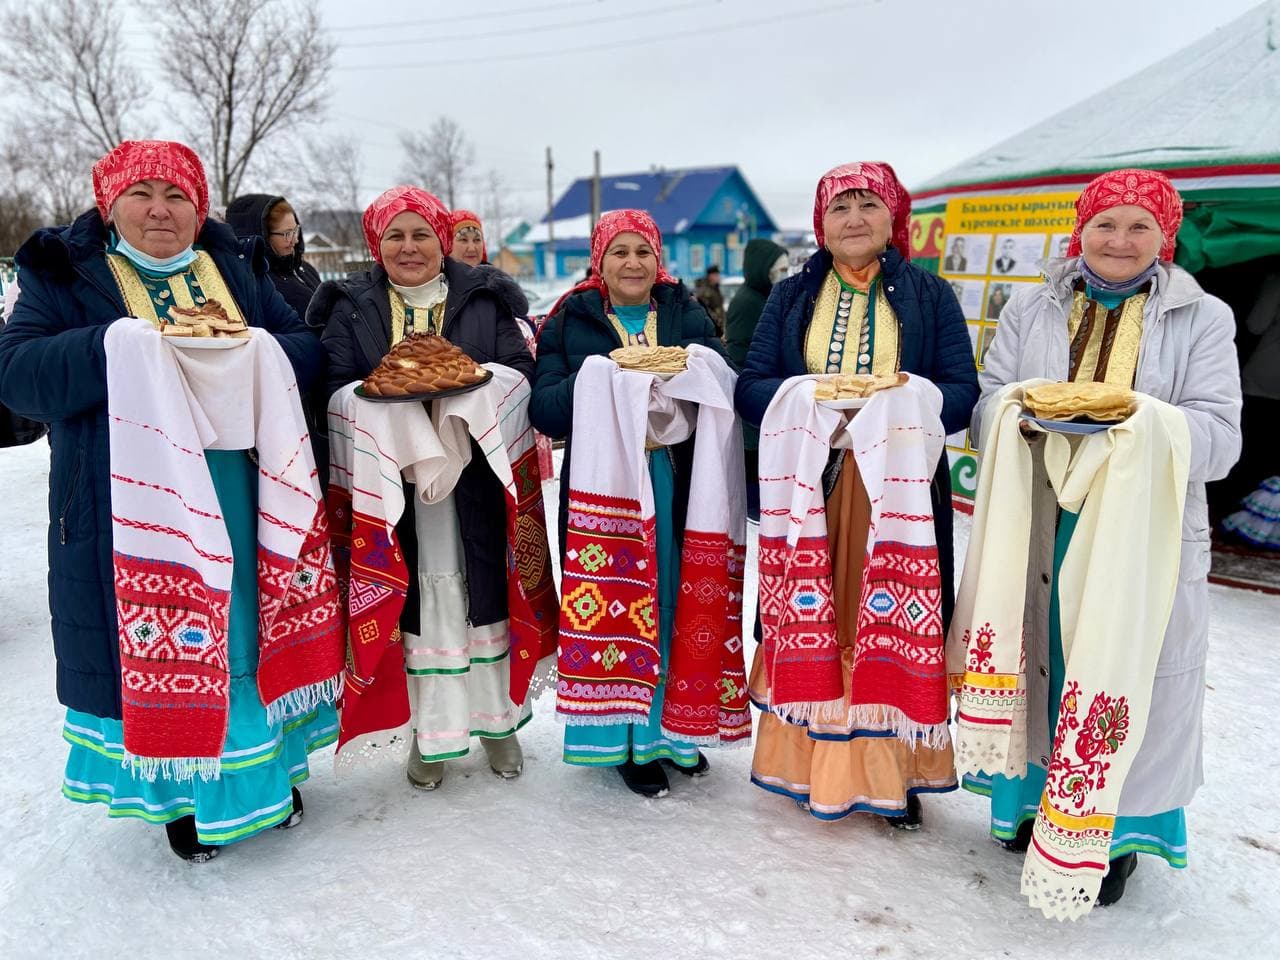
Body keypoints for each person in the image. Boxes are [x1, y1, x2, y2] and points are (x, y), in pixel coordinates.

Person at [0, 140, 339, 862]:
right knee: (173, 641)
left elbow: (304, 346)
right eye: (142, 193)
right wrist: (121, 346)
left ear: (200, 206)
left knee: (244, 631)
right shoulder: (65, 275)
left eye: (177, 195)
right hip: (132, 504)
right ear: (109, 203)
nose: (160, 209)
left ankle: (263, 776)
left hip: (242, 489)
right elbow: (19, 378)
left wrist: (251, 349)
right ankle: (183, 793)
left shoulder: (233, 270)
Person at [958, 168, 1242, 911]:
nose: (1120, 241)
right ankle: (1028, 811)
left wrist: (1134, 420)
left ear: (1165, 237)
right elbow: (987, 409)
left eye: (1138, 226)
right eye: (1105, 225)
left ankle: (1107, 835)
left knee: (1114, 673)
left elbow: (1219, 443)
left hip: (1137, 539)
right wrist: (1024, 410)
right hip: (1040, 523)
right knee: (1040, 660)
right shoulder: (1031, 304)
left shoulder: (1201, 318)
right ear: (1079, 230)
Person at [735, 161, 978, 828]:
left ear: (892, 216)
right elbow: (751, 385)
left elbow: (962, 392)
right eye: (840, 207)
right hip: (813, 485)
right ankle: (810, 766)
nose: (853, 219)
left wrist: (900, 403)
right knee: (823, 618)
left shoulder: (929, 295)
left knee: (887, 626)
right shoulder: (790, 298)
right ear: (821, 223)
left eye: (868, 204)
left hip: (895, 493)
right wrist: (809, 403)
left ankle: (891, 774)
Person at [310, 185, 536, 790]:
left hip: (477, 484)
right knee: (414, 604)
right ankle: (430, 736)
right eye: (395, 236)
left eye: (422, 235)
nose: (409, 247)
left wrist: (477, 394)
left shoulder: (484, 298)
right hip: (395, 491)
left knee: (483, 598)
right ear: (375, 244)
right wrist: (385, 413)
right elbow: (332, 389)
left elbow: (521, 375)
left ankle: (498, 724)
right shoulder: (351, 308)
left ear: (443, 240)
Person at [530, 209, 734, 798]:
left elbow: (725, 380)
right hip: (606, 484)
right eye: (619, 251)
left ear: (658, 258)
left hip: (674, 474)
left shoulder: (683, 309)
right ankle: (625, 742)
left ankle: (675, 732)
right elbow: (544, 408)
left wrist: (693, 368)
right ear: (600, 259)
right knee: (621, 603)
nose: (632, 263)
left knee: (672, 595)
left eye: (642, 251)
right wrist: (602, 376)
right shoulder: (571, 319)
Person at [227, 193, 328, 484]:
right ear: (258, 234)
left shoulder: (304, 270)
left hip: (318, 381)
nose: (293, 239)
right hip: (289, 393)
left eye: (295, 229)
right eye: (284, 233)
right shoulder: (261, 281)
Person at [724, 237, 788, 521]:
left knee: (765, 446)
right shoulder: (747, 302)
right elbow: (739, 349)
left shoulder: (766, 297)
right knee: (752, 448)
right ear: (763, 269)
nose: (782, 275)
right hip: (750, 385)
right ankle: (752, 504)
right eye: (779, 269)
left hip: (767, 384)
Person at [225, 194, 321, 323]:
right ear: (264, 236)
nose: (296, 240)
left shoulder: (305, 269)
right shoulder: (259, 283)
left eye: (296, 230)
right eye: (287, 233)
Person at [694, 263, 726, 337]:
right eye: (716, 275)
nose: (718, 277)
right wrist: (716, 319)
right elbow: (704, 309)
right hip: (712, 326)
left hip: (718, 326)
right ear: (710, 276)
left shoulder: (715, 288)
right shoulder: (705, 291)